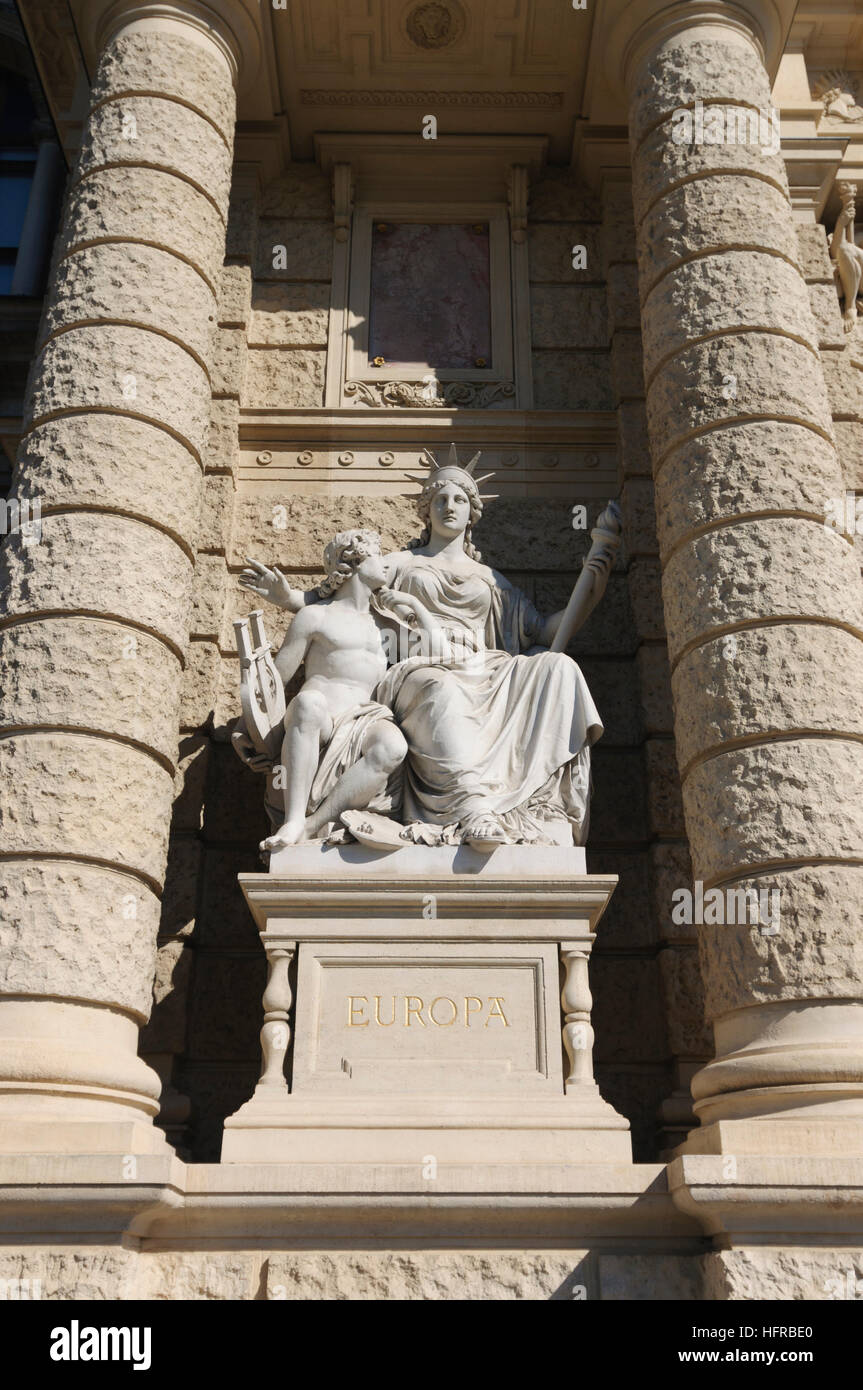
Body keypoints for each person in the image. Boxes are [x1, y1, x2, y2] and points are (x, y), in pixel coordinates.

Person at [240, 449, 617, 850]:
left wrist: (594, 580)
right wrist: (292, 597)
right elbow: (343, 590)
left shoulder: (491, 580)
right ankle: (471, 808)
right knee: (440, 686)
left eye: (458, 499)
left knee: (559, 667)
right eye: (440, 499)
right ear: (426, 510)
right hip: (418, 663)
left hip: (485, 666)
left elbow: (547, 628)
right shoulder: (401, 563)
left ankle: (535, 805)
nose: (448, 506)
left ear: (472, 512)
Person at [236, 528, 448, 852]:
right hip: (320, 714)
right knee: (307, 704)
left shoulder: (386, 625)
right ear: (355, 561)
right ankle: (293, 820)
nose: (386, 563)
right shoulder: (315, 616)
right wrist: (244, 728)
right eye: (377, 555)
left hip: (364, 717)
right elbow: (275, 680)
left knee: (393, 745)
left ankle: (314, 824)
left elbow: (440, 653)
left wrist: (415, 606)